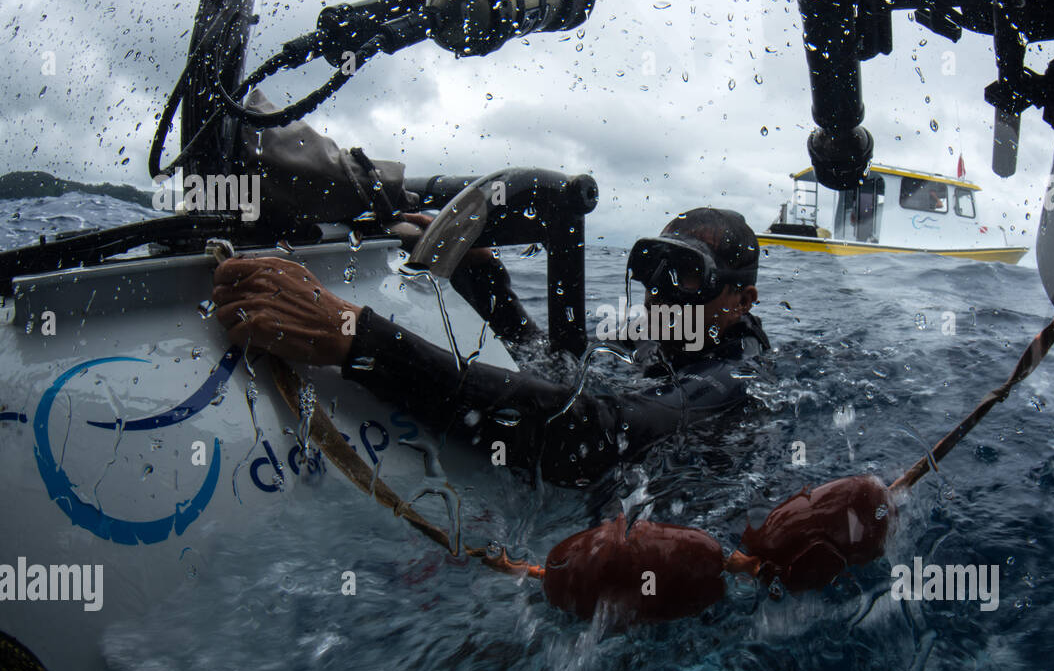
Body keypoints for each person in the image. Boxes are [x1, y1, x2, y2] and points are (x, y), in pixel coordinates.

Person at [212, 207, 770, 487]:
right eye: (654, 271)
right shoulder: (656, 342)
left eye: (688, 277)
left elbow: (595, 434)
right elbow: (558, 372)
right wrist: (488, 286)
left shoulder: (734, 378)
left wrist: (360, 341)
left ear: (742, 301)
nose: (660, 296)